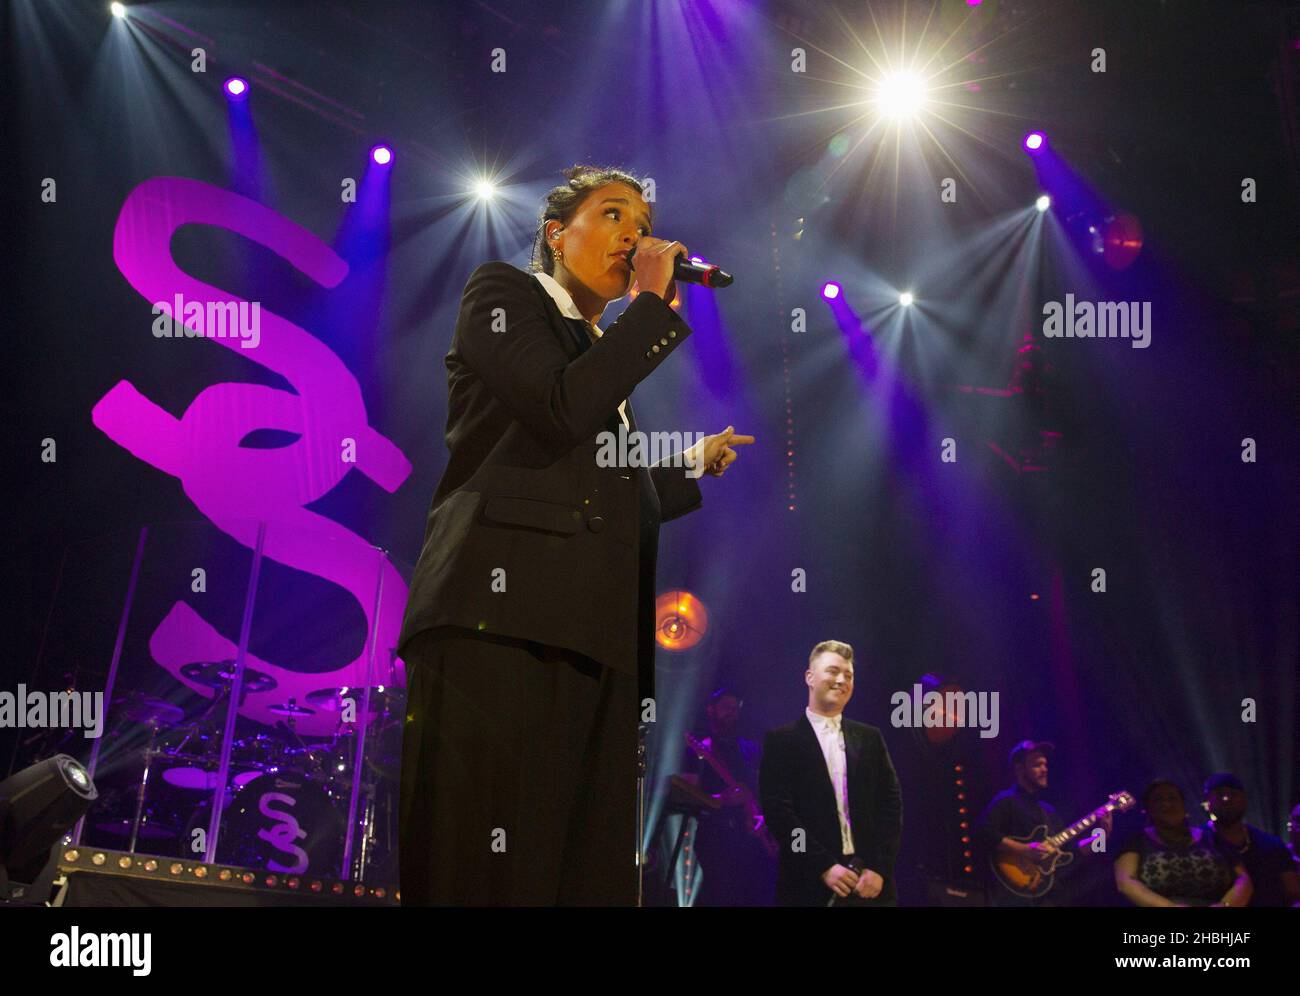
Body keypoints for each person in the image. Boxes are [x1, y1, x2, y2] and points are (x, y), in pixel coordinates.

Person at [396, 165, 753, 905]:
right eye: (615, 214)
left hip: (594, 637)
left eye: (644, 223)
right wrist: (651, 308)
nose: (637, 233)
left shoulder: (598, 358)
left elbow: (597, 486)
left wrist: (689, 466)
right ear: (557, 235)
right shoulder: (504, 295)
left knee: (575, 874)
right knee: (483, 862)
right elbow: (558, 409)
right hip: (500, 620)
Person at [758, 640, 903, 906]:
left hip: (869, 884)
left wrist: (880, 868)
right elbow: (779, 815)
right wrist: (823, 866)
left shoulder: (870, 738)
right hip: (807, 884)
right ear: (810, 677)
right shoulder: (781, 741)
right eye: (833, 671)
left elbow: (891, 806)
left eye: (848, 675)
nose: (841, 680)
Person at [975, 740, 1111, 907]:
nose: (1045, 770)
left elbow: (1070, 855)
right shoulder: (1006, 801)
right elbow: (984, 833)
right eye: (1037, 765)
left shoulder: (1049, 812)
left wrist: (1102, 837)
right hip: (1009, 896)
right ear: (1020, 769)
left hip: (1046, 896)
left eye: (1045, 765)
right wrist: (1025, 850)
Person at [679, 687, 776, 906]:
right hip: (715, 836)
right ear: (711, 710)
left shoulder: (751, 749)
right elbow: (687, 795)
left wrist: (764, 817)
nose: (731, 712)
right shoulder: (699, 749)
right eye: (725, 707)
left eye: (735, 708)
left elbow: (769, 790)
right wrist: (720, 799)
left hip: (751, 840)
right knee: (720, 895)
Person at [1114, 779, 1251, 907]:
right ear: (1148, 809)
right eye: (1158, 800)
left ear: (1184, 807)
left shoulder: (1212, 837)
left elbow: (1243, 878)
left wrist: (1226, 905)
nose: (1167, 804)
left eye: (1172, 798)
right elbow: (1126, 882)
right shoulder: (1136, 841)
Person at [1199, 772, 1300, 907]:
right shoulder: (1197, 842)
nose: (1226, 799)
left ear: (1244, 799)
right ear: (1208, 802)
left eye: (1233, 794)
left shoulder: (1271, 844)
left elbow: (1293, 891)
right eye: (1219, 795)